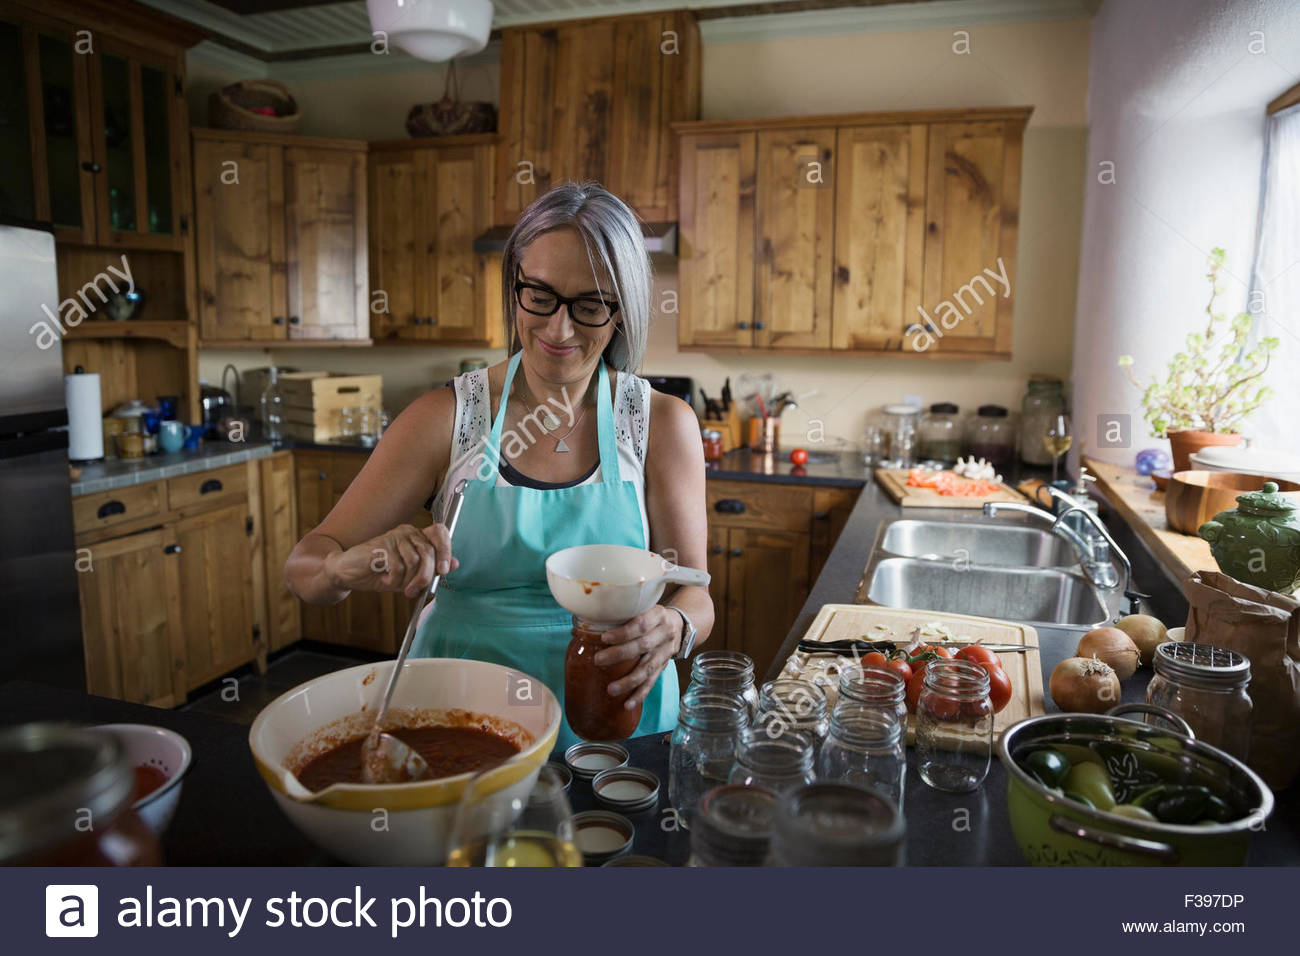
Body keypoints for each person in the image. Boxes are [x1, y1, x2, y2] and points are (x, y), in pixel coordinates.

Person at [285, 181, 713, 750]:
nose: (559, 330)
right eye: (539, 295)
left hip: (618, 718)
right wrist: (343, 569)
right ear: (513, 287)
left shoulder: (660, 424)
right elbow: (306, 569)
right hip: (461, 717)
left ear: (623, 310)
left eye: (590, 305)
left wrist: (676, 627)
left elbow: (695, 593)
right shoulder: (445, 419)